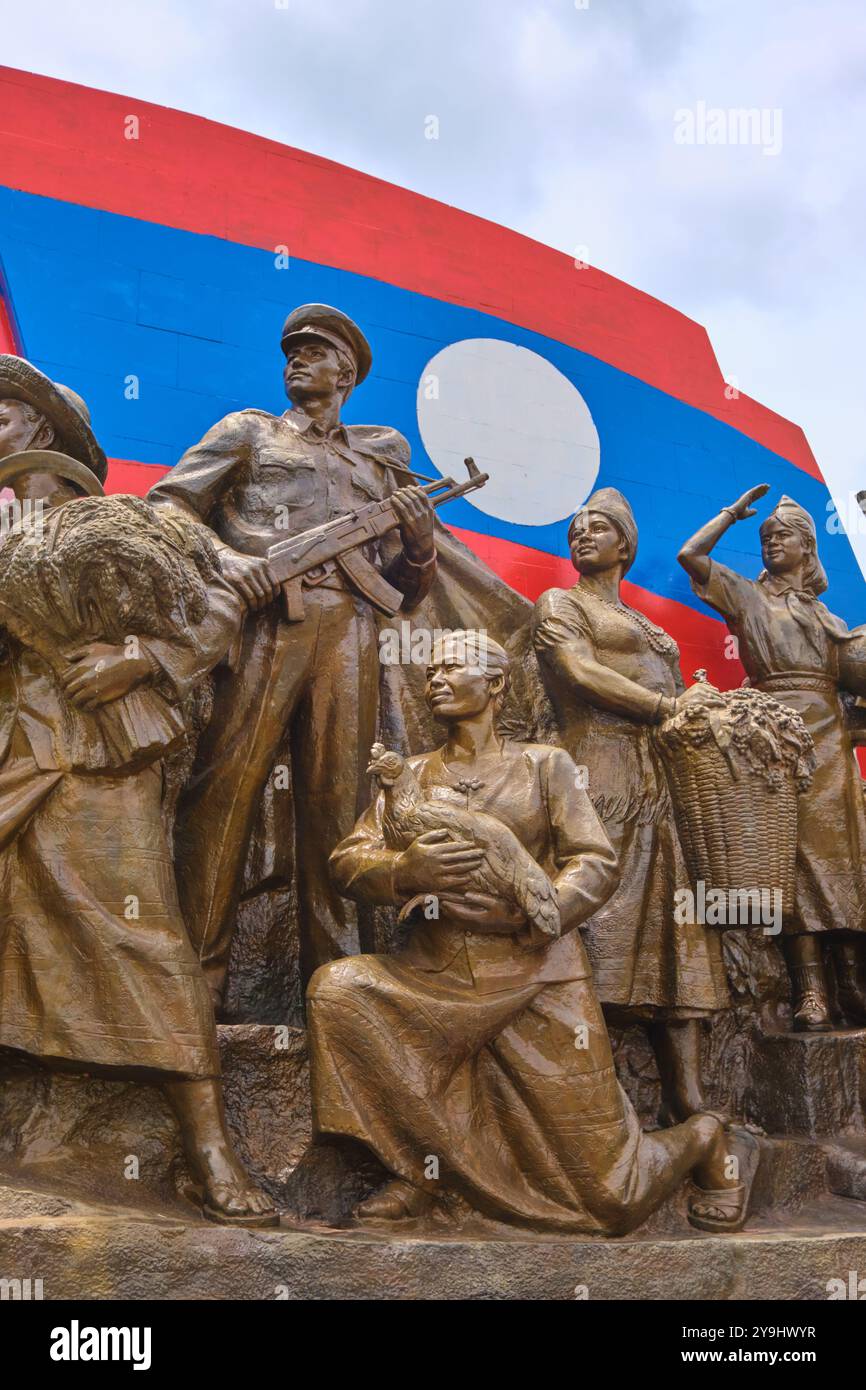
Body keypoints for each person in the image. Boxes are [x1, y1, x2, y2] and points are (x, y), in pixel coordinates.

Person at [307, 630, 756, 1235]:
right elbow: (348, 859)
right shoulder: (409, 775)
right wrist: (401, 871)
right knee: (339, 990)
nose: (434, 679)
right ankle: (424, 1174)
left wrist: (539, 914)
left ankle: (703, 1139)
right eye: (430, 670)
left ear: (494, 684)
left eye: (451, 668)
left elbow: (594, 862)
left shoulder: (546, 766)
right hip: (433, 975)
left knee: (612, 1198)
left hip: (537, 975)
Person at [0, 353, 276, 1225]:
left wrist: (140, 659)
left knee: (141, 936)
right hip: (15, 748)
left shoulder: (121, 523)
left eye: (1, 414)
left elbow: (227, 598)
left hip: (98, 755)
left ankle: (209, 1149)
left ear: (39, 430)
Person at [147, 304, 437, 1006]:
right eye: (292, 352)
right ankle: (196, 982)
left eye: (315, 351)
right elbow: (166, 505)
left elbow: (405, 588)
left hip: (353, 635)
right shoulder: (247, 431)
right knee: (224, 790)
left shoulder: (375, 462)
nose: (296, 360)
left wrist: (423, 545)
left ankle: (333, 988)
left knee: (339, 808)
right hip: (266, 622)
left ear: (347, 372)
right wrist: (226, 558)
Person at [531, 488, 729, 1124]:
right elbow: (576, 671)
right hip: (595, 768)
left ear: (626, 544)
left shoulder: (647, 623)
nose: (582, 536)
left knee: (676, 928)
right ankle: (590, 1089)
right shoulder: (561, 603)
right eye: (575, 530)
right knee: (596, 916)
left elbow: (674, 692)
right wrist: (665, 707)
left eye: (598, 527)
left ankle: (687, 1097)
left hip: (657, 780)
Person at [678, 485, 866, 1030]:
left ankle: (851, 979)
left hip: (831, 738)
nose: (770, 544)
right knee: (792, 862)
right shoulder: (749, 598)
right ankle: (811, 991)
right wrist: (730, 513)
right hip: (774, 734)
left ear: (808, 547)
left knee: (844, 860)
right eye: (764, 538)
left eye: (780, 536)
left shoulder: (831, 620)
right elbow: (691, 556)